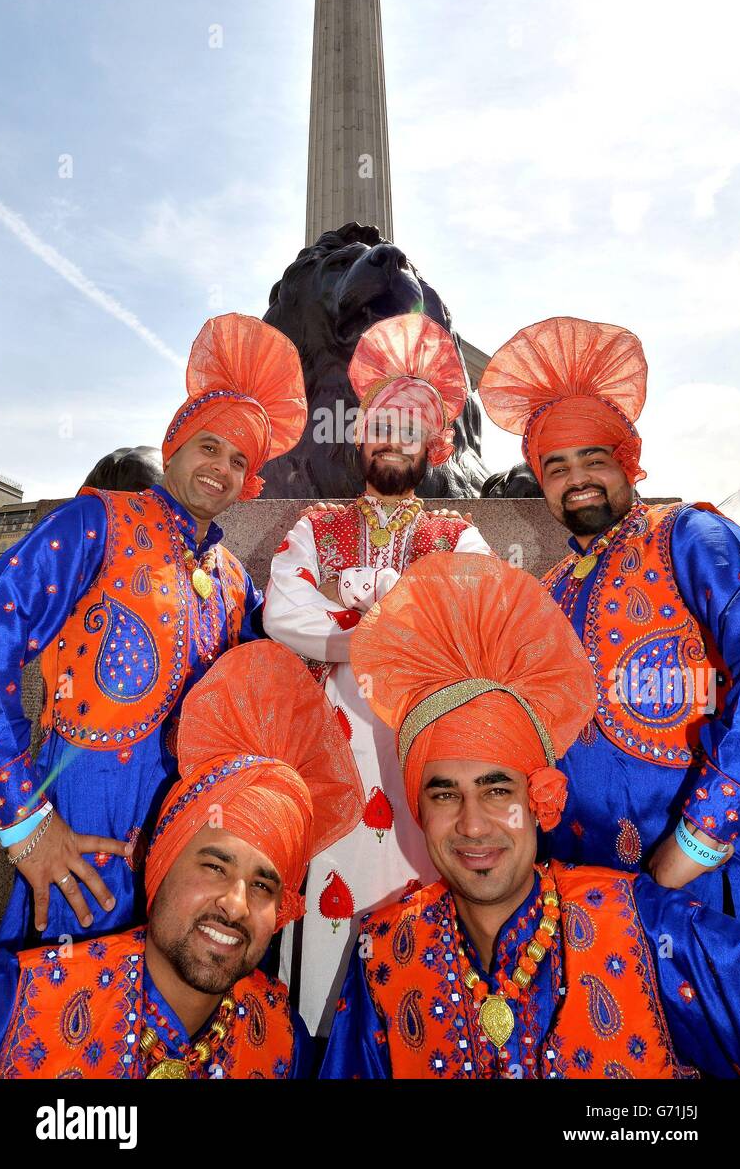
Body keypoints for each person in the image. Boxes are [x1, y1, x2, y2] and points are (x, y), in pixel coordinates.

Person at [322, 553, 740, 1080]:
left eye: (497, 790)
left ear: (538, 798)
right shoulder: (384, 952)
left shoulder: (644, 925)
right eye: (445, 795)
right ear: (418, 809)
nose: (473, 825)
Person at [0, 313, 307, 950]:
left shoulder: (237, 582)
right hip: (77, 840)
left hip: (182, 855)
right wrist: (22, 821)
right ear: (173, 450)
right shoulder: (96, 523)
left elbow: (273, 676)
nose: (221, 467)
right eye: (208, 447)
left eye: (238, 459)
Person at [0, 640, 363, 1079]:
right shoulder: (12, 1007)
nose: (237, 905)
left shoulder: (284, 1042)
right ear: (159, 866)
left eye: (263, 885)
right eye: (215, 867)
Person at [263, 313, 492, 1034]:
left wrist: (351, 601)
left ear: (433, 445)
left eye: (409, 429)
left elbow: (473, 621)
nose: (392, 441)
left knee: (417, 953)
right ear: (364, 438)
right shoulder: (315, 524)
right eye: (381, 426)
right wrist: (402, 616)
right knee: (323, 962)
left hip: (423, 768)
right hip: (333, 772)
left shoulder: (459, 536)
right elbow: (282, 613)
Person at [478, 316, 740, 916]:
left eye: (593, 458)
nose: (577, 480)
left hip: (701, 882)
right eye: (556, 467)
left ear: (627, 461)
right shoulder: (547, 593)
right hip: (583, 891)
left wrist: (700, 837)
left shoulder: (689, 537)